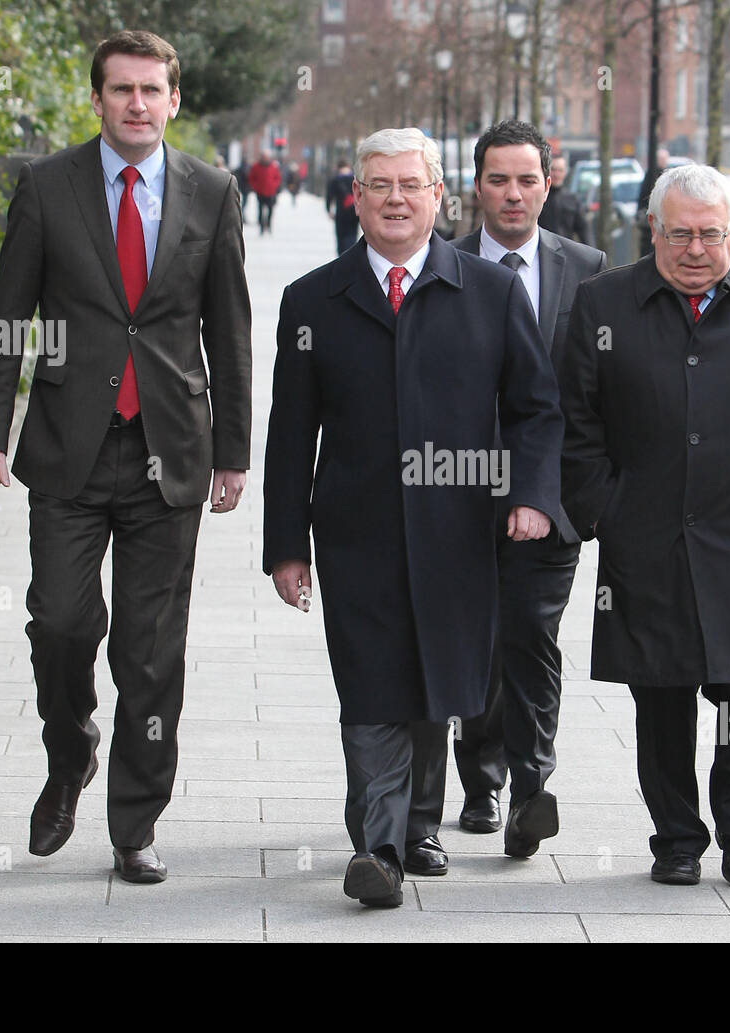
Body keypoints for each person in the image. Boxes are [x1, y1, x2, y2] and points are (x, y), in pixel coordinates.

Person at [0, 29, 252, 885]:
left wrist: (232, 452)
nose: (136, 103)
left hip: (171, 450)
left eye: (151, 90)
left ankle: (135, 823)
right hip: (67, 450)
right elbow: (8, 314)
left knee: (150, 648)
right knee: (59, 623)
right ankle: (70, 752)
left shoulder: (212, 191)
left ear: (172, 100)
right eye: (120, 89)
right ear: (97, 99)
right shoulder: (48, 187)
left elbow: (230, 333)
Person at [263, 127, 562, 908]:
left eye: (411, 185)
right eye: (379, 185)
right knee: (369, 684)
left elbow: (535, 408)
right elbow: (290, 436)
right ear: (354, 196)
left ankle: (416, 824)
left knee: (436, 684)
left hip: (460, 532)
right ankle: (380, 848)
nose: (395, 199)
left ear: (439, 196)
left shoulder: (491, 292)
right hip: (356, 531)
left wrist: (531, 494)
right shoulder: (311, 301)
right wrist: (285, 546)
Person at [558, 163, 730, 887]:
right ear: (652, 231)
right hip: (645, 539)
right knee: (661, 697)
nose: (694, 249)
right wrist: (601, 508)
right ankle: (677, 837)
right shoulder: (602, 304)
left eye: (710, 234)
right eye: (679, 233)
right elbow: (576, 421)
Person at [406, 121, 605, 874]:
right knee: (473, 643)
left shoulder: (586, 268)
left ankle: (530, 788)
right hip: (453, 493)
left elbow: (596, 392)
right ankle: (479, 774)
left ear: (548, 184)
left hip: (548, 496)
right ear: (474, 187)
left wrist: (586, 492)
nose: (513, 193)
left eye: (527, 179)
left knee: (530, 635)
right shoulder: (439, 263)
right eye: (498, 179)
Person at [538, 154, 592, 247]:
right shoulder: (538, 197)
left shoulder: (572, 199)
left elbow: (584, 230)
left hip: (565, 251)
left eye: (560, 170)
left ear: (565, 173)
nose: (556, 174)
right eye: (553, 170)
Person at [325, 159, 359, 255]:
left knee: (341, 236)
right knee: (352, 234)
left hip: (341, 213)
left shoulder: (335, 180)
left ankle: (342, 256)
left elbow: (329, 196)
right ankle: (351, 254)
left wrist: (329, 210)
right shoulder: (355, 179)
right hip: (354, 212)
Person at [248, 150, 282, 234]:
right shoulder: (255, 166)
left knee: (270, 210)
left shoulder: (273, 167)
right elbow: (251, 178)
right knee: (260, 209)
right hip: (260, 192)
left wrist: (274, 185)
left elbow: (278, 178)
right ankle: (261, 226)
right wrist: (255, 186)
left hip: (270, 192)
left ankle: (269, 224)